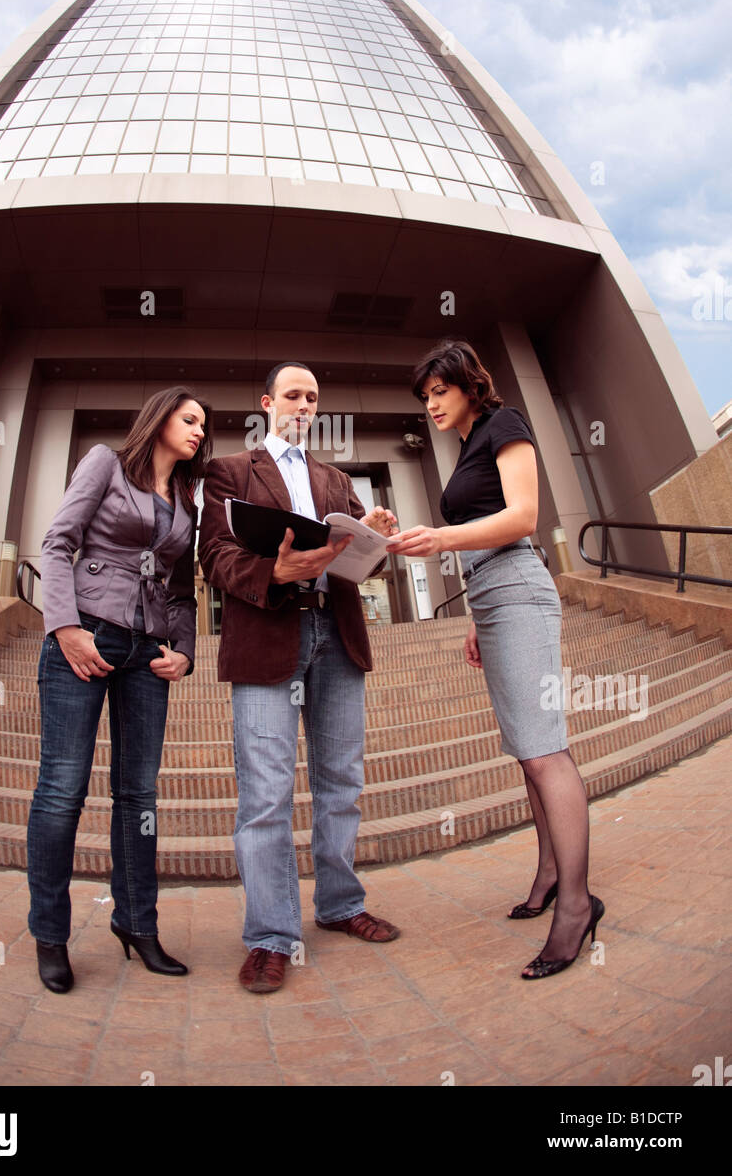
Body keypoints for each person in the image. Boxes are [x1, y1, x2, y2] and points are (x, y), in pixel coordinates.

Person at [386, 339, 603, 980]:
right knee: (524, 751)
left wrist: (440, 537)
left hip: (518, 589)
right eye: (424, 397)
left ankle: (577, 904)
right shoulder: (466, 445)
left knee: (544, 748)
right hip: (493, 597)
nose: (430, 406)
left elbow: (524, 516)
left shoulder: (505, 424)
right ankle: (546, 876)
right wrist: (478, 620)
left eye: (438, 392)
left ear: (468, 386)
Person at [198, 362, 401, 994]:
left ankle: (340, 905)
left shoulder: (338, 481)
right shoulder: (230, 471)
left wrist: (379, 540)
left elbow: (369, 565)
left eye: (313, 397)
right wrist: (275, 574)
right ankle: (269, 936)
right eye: (293, 395)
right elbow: (215, 556)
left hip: (336, 636)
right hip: (268, 636)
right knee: (266, 793)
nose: (304, 405)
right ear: (267, 403)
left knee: (342, 778)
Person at [26, 387, 211, 993]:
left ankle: (137, 924)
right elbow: (57, 543)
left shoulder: (187, 500)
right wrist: (65, 627)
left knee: (139, 795)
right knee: (62, 790)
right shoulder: (105, 461)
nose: (198, 433)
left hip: (145, 654)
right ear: (158, 420)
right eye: (189, 420)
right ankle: (49, 936)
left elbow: (184, 591)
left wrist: (183, 651)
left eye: (203, 426)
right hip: (85, 638)